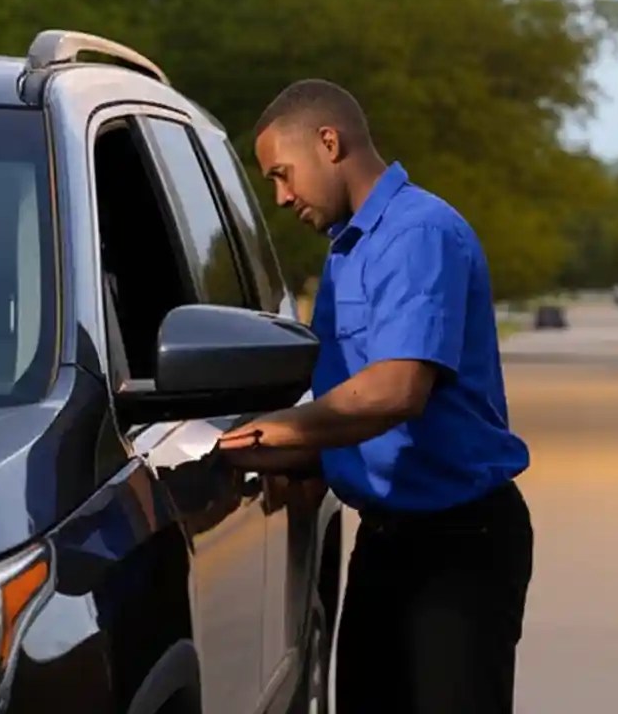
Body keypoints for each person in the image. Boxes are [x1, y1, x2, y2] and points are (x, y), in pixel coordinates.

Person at [217, 78, 533, 713]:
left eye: (283, 174)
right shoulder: (347, 251)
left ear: (329, 143)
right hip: (387, 540)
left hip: (459, 544)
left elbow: (394, 391)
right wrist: (254, 453)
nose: (281, 197)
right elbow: (342, 401)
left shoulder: (419, 233)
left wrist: (279, 430)